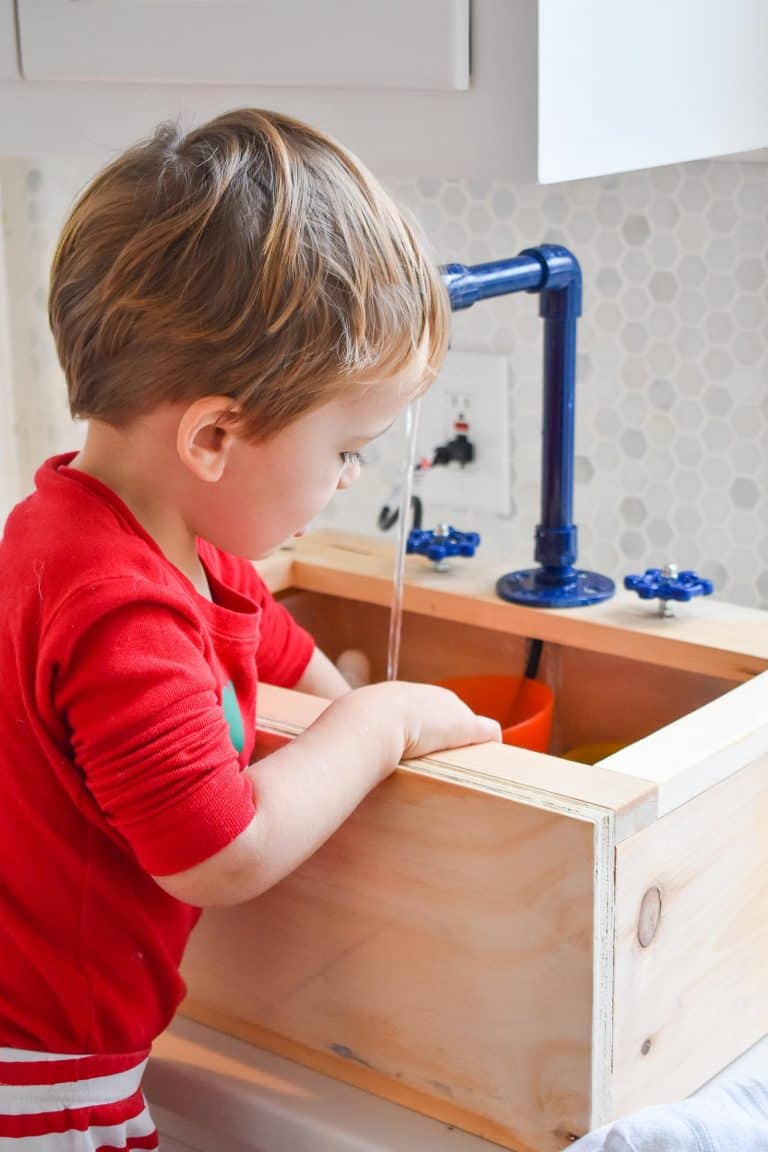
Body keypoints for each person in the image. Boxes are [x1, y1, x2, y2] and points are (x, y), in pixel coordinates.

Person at [0, 108, 500, 1150]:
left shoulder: (112, 530)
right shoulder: (118, 608)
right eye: (346, 448)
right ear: (215, 436)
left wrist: (344, 698)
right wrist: (379, 725)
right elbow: (218, 855)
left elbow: (268, 639)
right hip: (45, 1077)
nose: (352, 478)